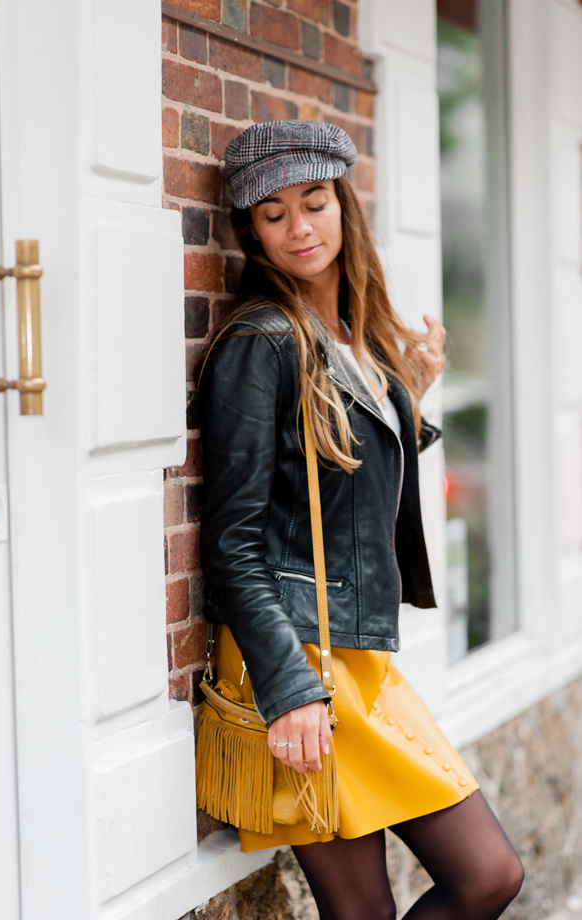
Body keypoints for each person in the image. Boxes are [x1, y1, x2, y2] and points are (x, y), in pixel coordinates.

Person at [198, 120, 523, 920]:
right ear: (250, 230)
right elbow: (232, 541)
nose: (299, 229)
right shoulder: (262, 342)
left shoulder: (354, 337)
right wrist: (288, 688)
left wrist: (402, 400)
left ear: (345, 204)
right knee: (375, 912)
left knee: (490, 875)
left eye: (314, 203)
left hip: (360, 655)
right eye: (273, 215)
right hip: (300, 654)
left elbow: (343, 487)